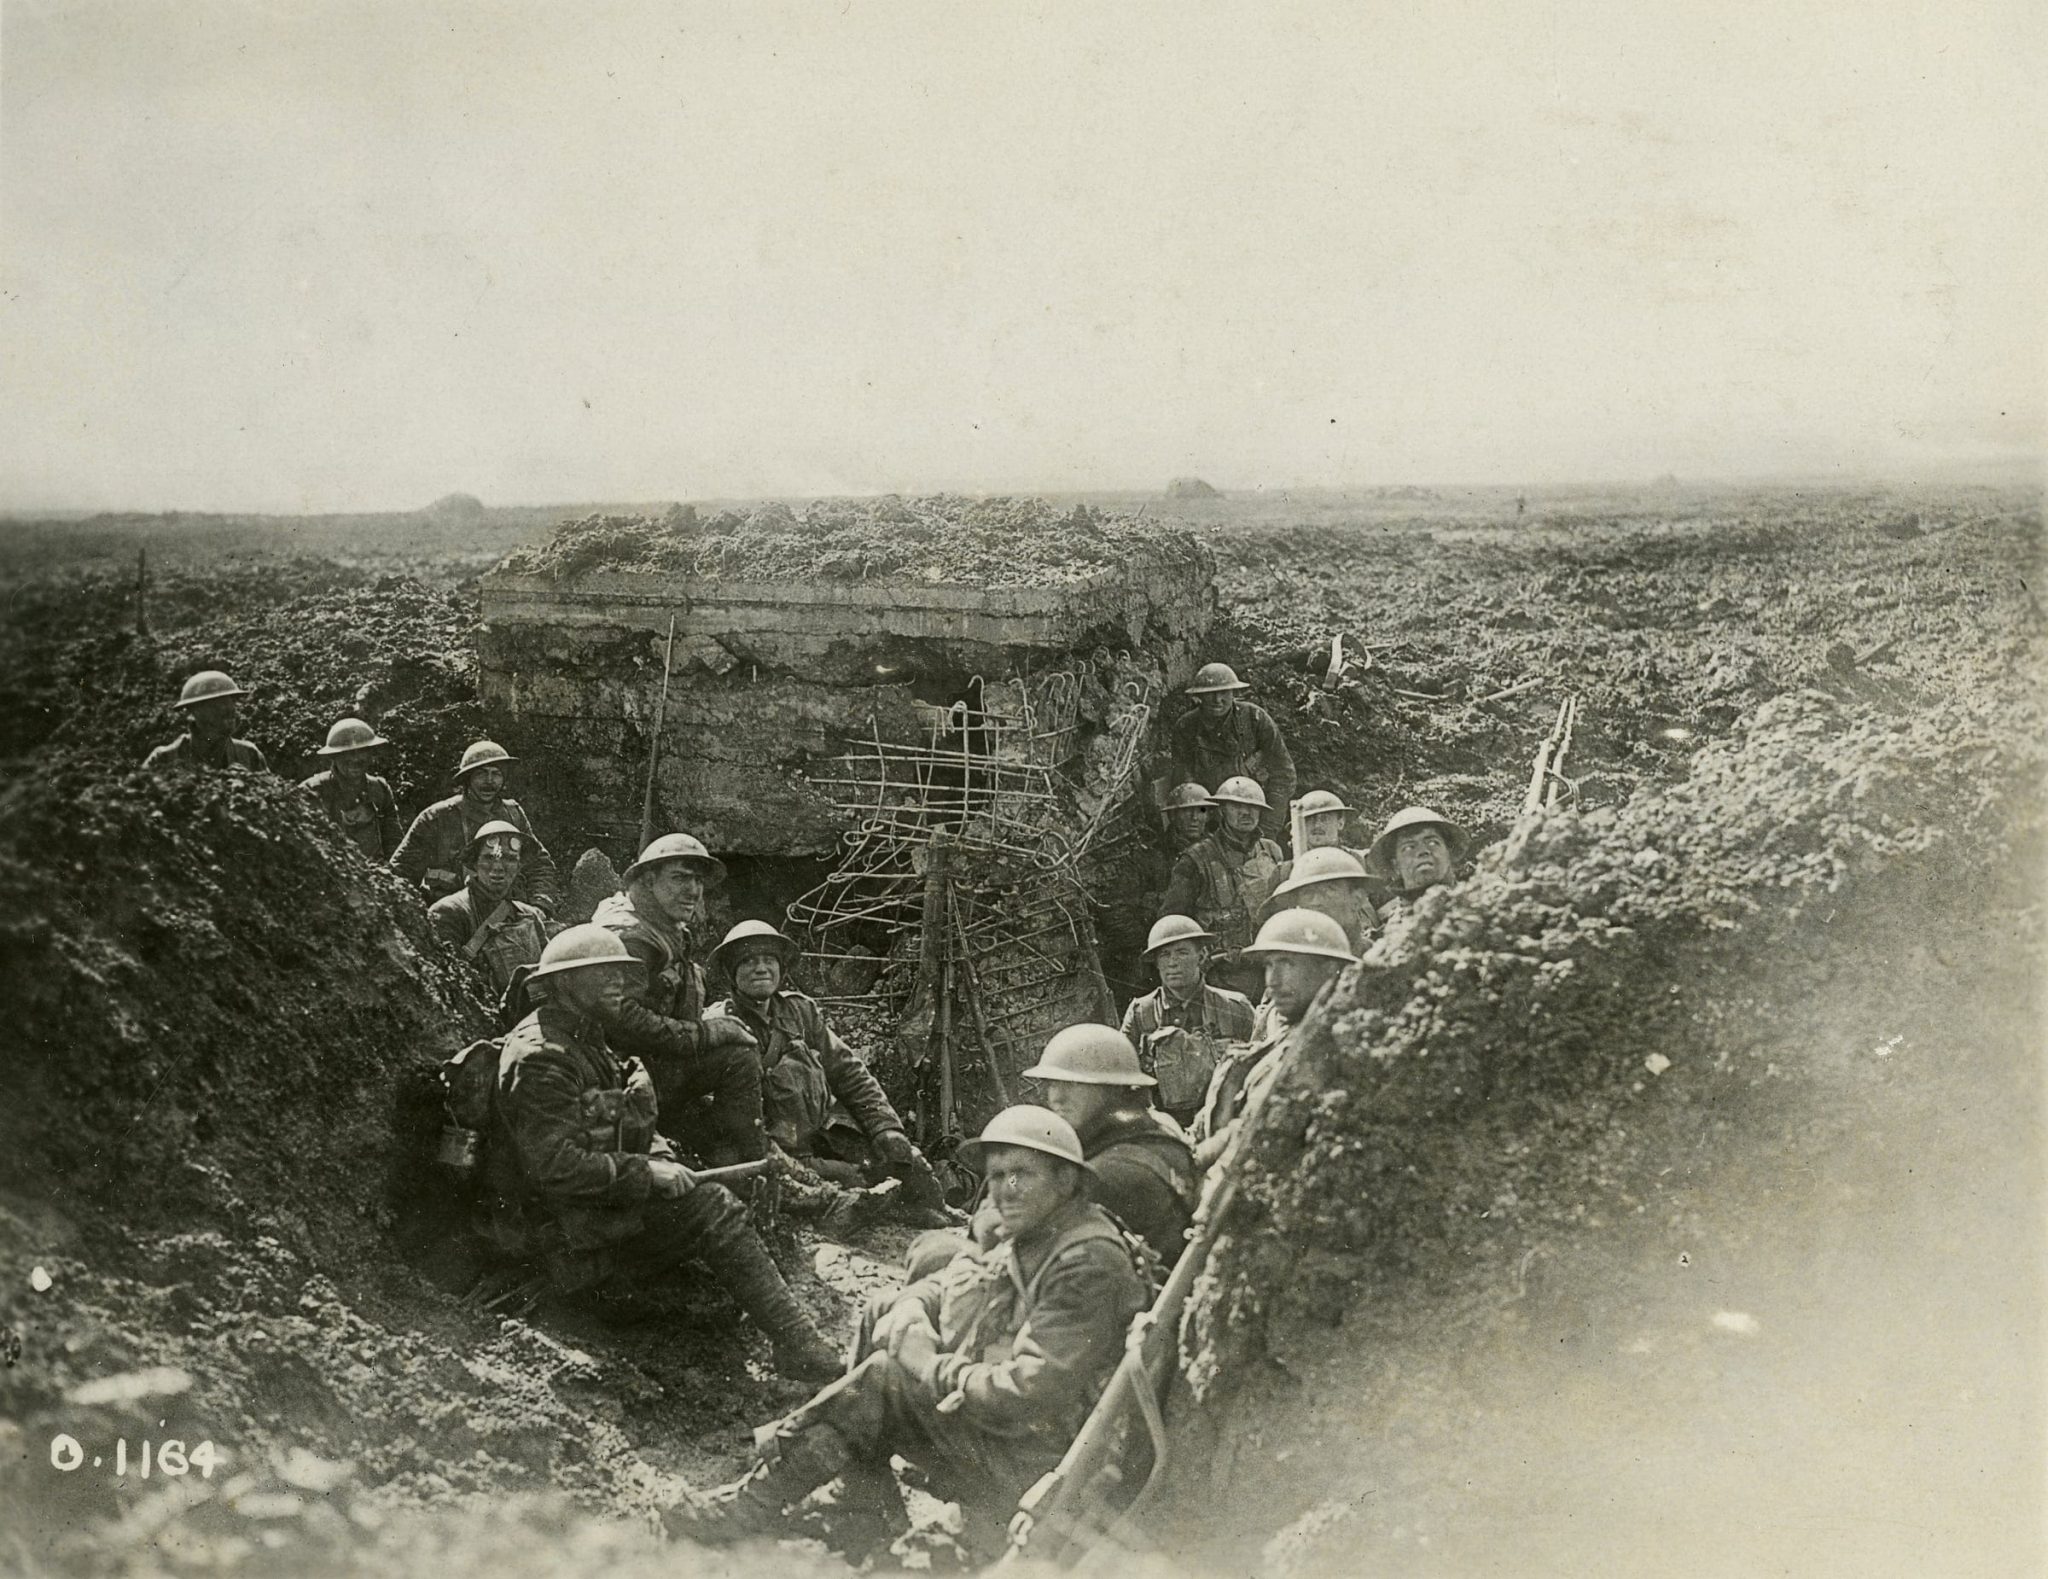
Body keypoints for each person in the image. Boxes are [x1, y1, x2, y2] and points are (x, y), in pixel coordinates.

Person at [667, 1105, 1150, 1554]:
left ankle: (752, 1508)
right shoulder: (1037, 1228)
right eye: (996, 1176)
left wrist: (934, 1367)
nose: (1003, 1190)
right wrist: (911, 1307)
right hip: (1013, 1433)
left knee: (885, 1380)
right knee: (884, 1310)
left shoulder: (1087, 1261)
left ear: (1065, 1179)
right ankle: (861, 1500)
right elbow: (955, 1282)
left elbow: (1030, 1388)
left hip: (1049, 1466)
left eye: (1021, 1175)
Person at [481, 925, 841, 1381]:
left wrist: (662, 1157)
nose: (618, 983)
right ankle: (798, 1345)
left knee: (699, 1194)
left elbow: (625, 1121)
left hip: (596, 1210)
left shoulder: (587, 1038)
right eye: (602, 974)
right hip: (562, 1234)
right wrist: (647, 1174)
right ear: (564, 984)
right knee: (713, 1209)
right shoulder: (542, 1056)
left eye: (620, 973)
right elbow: (554, 1166)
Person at [705, 919, 947, 1225]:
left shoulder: (800, 1013)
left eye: (769, 960)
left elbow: (849, 1073)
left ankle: (941, 1212)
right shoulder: (718, 1025)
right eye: (749, 961)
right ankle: (897, 1214)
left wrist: (885, 1128)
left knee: (905, 1159)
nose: (761, 968)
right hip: (774, 1152)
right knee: (852, 1184)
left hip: (824, 1136)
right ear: (731, 972)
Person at [593, 833, 765, 1166]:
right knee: (737, 1057)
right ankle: (750, 1166)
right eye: (680, 878)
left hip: (651, 1067)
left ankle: (719, 1150)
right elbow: (621, 1018)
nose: (693, 890)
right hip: (620, 1078)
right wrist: (707, 1033)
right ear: (648, 880)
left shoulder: (664, 927)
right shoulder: (632, 937)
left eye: (698, 880)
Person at [1190, 909, 1354, 1171]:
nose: (1272, 981)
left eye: (1286, 963)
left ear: (1329, 968)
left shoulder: (1342, 1043)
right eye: (1269, 965)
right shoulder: (1282, 1037)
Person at [1024, 1025, 1197, 1268]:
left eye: (1074, 1084)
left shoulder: (1106, 1174)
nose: (1057, 1097)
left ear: (1115, 1089)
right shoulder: (1158, 1131)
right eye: (1052, 1083)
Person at [1117, 915, 1256, 1127]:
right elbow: (1122, 1078)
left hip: (1224, 1122)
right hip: (1164, 1126)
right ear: (1156, 963)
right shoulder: (1141, 1013)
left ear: (1201, 956)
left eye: (1182, 953)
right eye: (1164, 955)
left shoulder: (1235, 1007)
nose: (1172, 963)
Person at [390, 741, 560, 914]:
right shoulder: (436, 818)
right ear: (467, 779)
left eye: (496, 774)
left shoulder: (513, 815)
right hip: (452, 920)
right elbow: (400, 873)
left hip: (507, 917)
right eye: (481, 774)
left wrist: (540, 906)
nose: (489, 781)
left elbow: (539, 865)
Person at [1158, 777, 1284, 999]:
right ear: (1223, 810)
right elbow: (1172, 923)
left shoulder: (1271, 852)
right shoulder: (1195, 859)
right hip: (1220, 979)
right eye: (1237, 806)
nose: (1246, 813)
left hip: (1270, 972)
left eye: (1253, 807)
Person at [428, 819, 557, 1008]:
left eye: (510, 859)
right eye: (489, 858)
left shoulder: (529, 916)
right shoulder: (448, 913)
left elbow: (547, 980)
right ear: (475, 863)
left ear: (519, 865)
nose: (498, 868)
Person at [1168, 662, 1296, 843]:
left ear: (1234, 693)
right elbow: (1184, 787)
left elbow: (1283, 775)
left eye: (1224, 692)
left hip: (1253, 815)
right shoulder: (1186, 728)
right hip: (1209, 818)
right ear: (1199, 696)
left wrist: (1266, 829)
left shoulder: (1255, 719)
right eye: (1210, 694)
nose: (1217, 699)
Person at [298, 717, 402, 859]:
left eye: (362, 751)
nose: (355, 759)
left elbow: (393, 841)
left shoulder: (379, 789)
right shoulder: (313, 790)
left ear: (371, 753)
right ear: (333, 756)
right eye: (347, 753)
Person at [1253, 788, 1365, 918]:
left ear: (1340, 823)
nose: (1317, 825)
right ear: (1299, 825)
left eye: (1325, 818)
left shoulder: (1358, 862)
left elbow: (1381, 912)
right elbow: (1271, 923)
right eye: (1310, 819)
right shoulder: (1285, 872)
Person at [141, 670, 269, 773]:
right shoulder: (164, 759)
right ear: (194, 710)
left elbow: (275, 799)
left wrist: (251, 784)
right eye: (218, 704)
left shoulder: (249, 755)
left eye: (232, 701)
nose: (230, 709)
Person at [1367, 805, 1470, 927]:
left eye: (1432, 842)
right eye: (1409, 847)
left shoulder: (1478, 906)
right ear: (1396, 865)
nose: (1423, 851)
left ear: (1448, 853)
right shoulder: (1393, 930)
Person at [1264, 846, 1376, 956]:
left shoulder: (1377, 960)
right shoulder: (1291, 962)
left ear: (1357, 899)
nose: (1316, 901)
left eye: (1329, 890)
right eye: (1308, 893)